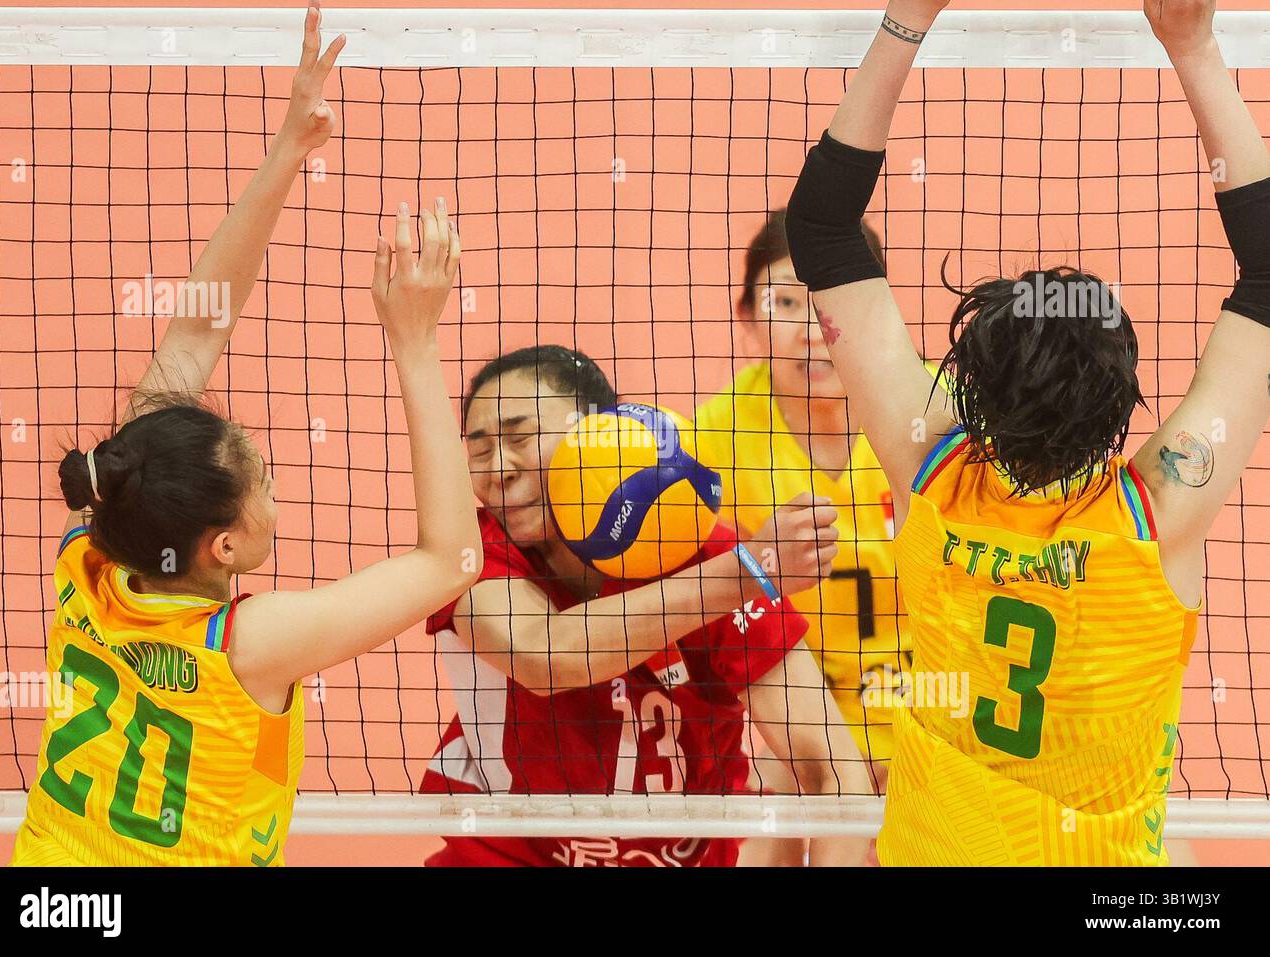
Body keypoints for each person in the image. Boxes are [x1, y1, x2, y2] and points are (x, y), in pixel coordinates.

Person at [784, 0, 1270, 865]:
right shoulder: (1157, 510)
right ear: (1124, 404)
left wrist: (909, 16)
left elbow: (822, 228)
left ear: (969, 389)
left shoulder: (929, 464)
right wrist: (1192, 42)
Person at [12, 6, 480, 866]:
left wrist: (289, 148)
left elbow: (194, 335)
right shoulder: (247, 644)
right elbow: (451, 560)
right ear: (225, 544)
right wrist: (415, 341)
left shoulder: (96, 550)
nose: (276, 489)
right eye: (262, 483)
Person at [420, 345, 871, 867]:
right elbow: (547, 655)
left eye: (521, 438)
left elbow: (833, 771)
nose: (499, 468)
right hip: (505, 855)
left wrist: (743, 570)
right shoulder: (474, 553)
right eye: (478, 451)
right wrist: (751, 572)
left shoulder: (705, 555)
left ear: (595, 435)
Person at [694, 211, 905, 865]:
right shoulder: (711, 442)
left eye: (833, 302)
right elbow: (697, 602)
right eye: (786, 301)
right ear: (748, 316)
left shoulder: (932, 412)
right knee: (765, 835)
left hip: (928, 698)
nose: (815, 332)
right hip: (792, 704)